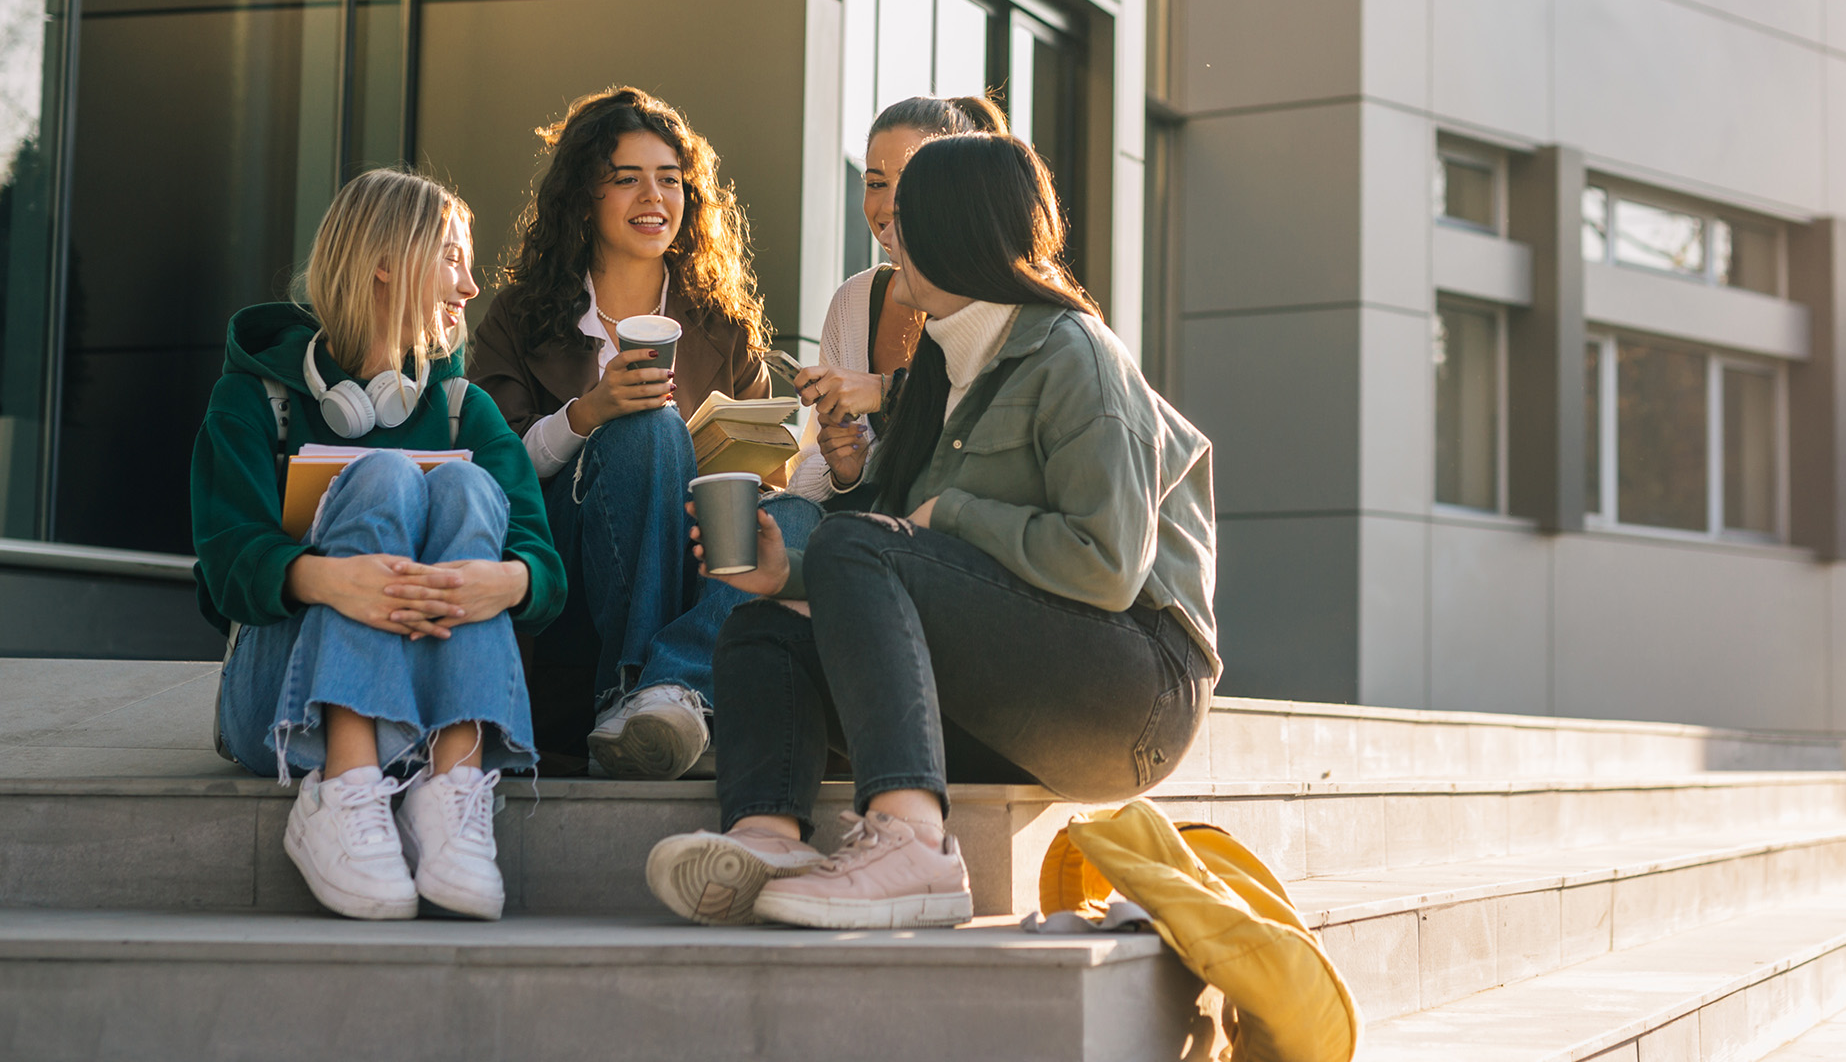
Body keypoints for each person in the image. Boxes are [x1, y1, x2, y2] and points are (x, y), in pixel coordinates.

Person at [645, 133, 1221, 930]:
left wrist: (946, 515)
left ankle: (914, 846)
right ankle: (767, 837)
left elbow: (1110, 564)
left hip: (1134, 693)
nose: (890, 234)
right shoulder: (940, 376)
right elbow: (905, 571)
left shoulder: (1075, 355)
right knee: (760, 630)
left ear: (954, 229)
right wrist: (791, 575)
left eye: (906, 217)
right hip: (1013, 695)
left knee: (857, 542)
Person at [192, 168, 565, 921]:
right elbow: (224, 568)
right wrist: (325, 580)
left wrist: (508, 584)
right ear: (387, 258)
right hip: (280, 709)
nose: (469, 286)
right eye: (453, 258)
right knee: (385, 477)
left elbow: (543, 564)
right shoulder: (253, 402)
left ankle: (452, 793)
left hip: (432, 703)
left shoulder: (465, 409)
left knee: (463, 489)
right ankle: (346, 788)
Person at [470, 86, 820, 780]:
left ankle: (668, 688)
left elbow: (766, 481)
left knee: (802, 516)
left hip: (692, 563)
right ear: (583, 197)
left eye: (669, 179)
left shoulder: (721, 325)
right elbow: (490, 466)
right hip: (569, 576)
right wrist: (587, 414)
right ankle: (630, 691)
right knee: (649, 431)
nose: (652, 197)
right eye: (625, 179)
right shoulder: (521, 317)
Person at [785, 95, 1008, 505]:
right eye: (875, 184)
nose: (887, 205)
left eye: (908, 182)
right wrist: (845, 471)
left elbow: (994, 436)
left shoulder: (999, 305)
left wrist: (886, 391)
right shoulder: (854, 302)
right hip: (864, 538)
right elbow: (806, 473)